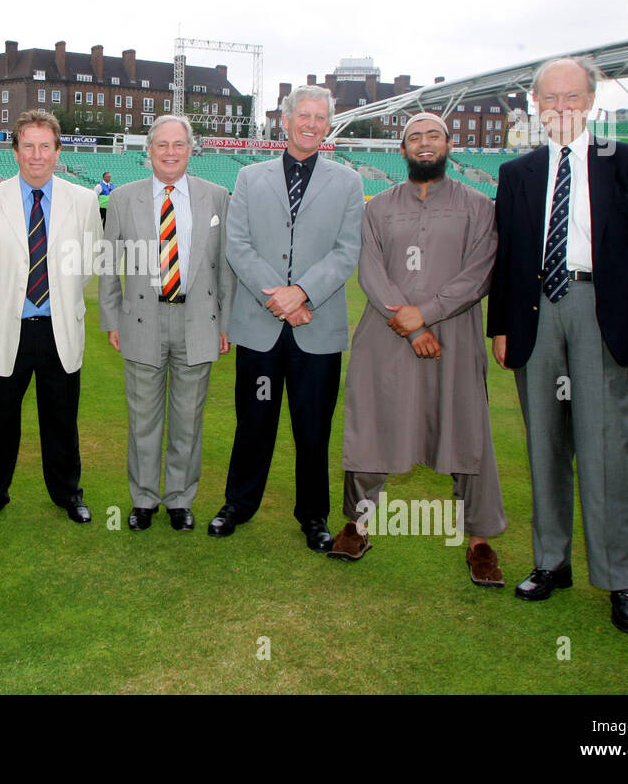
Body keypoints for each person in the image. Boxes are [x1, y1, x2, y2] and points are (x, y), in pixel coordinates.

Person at [488, 55, 628, 634]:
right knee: (544, 444)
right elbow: (507, 258)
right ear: (535, 106)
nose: (560, 108)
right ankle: (551, 563)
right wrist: (501, 326)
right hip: (536, 312)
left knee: (604, 448)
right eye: (549, 99)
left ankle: (619, 579)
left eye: (571, 97)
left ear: (589, 101)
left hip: (600, 311)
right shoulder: (518, 172)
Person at [334, 113, 506, 583]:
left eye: (433, 136)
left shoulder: (478, 206)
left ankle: (480, 537)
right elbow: (370, 270)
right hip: (387, 333)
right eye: (415, 137)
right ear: (402, 148)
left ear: (449, 144)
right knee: (372, 424)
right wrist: (411, 326)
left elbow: (480, 274)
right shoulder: (378, 206)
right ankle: (357, 522)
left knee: (466, 427)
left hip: (453, 333)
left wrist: (427, 314)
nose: (424, 143)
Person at [206, 85, 364, 552]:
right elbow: (238, 245)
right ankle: (239, 503)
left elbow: (346, 250)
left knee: (312, 428)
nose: (311, 124)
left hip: (317, 325)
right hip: (260, 324)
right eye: (303, 115)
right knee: (253, 420)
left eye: (320, 117)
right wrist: (278, 297)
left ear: (328, 124)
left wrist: (302, 294)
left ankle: (313, 515)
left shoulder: (349, 182)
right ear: (286, 119)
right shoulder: (252, 178)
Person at [0, 109, 103, 526]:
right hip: (9, 326)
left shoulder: (83, 200)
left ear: (58, 151)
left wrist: (56, 297)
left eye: (45, 146)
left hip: (59, 328)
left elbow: (90, 260)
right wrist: (10, 297)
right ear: (15, 151)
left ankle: (67, 493)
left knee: (61, 420)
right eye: (28, 146)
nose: (36, 155)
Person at [99, 116, 233, 532]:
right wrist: (110, 318)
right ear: (150, 151)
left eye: (178, 145)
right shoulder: (123, 198)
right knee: (142, 418)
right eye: (162, 145)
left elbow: (226, 266)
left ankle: (179, 498)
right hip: (142, 319)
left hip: (198, 320)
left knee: (188, 417)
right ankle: (143, 499)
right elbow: (108, 265)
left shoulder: (216, 196)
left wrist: (225, 323)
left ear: (191, 150)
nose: (170, 152)